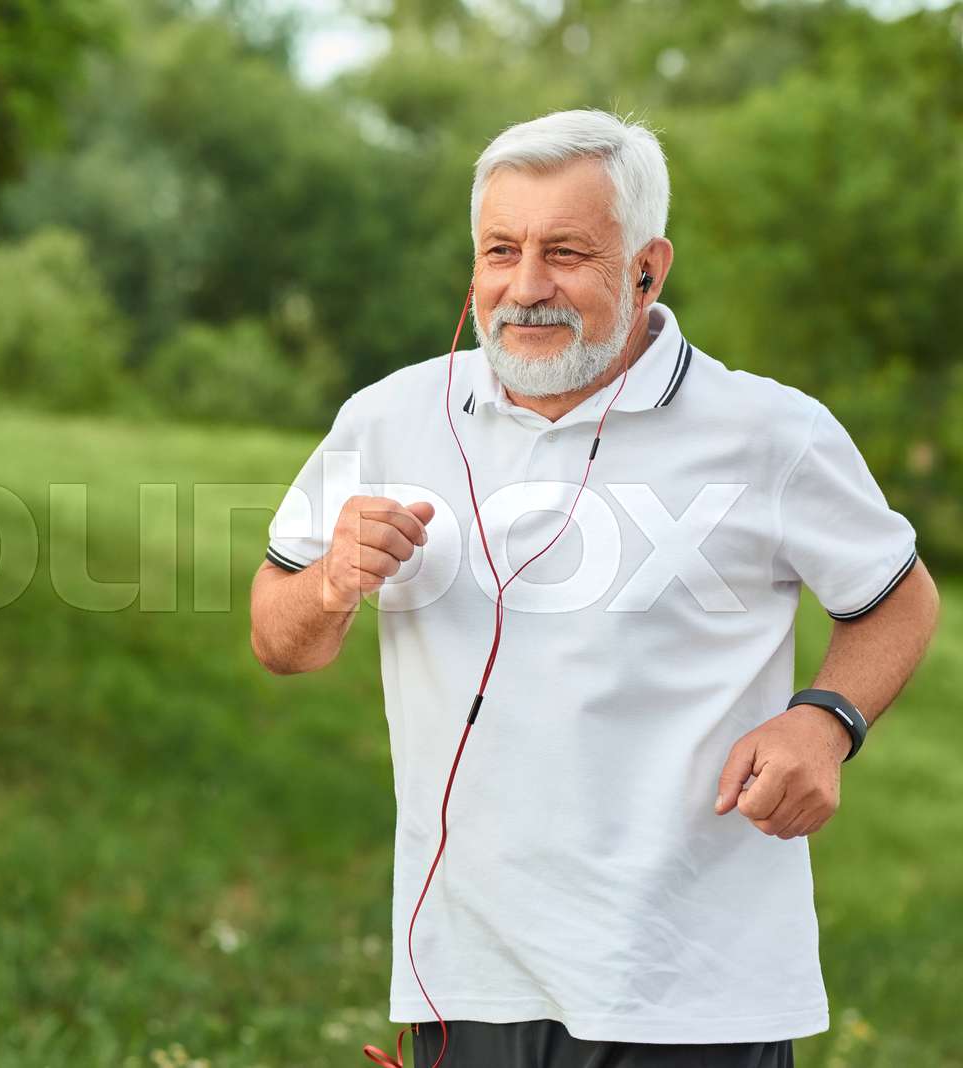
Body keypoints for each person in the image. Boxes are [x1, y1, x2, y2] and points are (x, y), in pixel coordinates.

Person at [248, 109, 940, 1068]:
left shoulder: (771, 430)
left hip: (696, 987)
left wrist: (825, 720)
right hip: (466, 978)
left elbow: (898, 598)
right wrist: (329, 583)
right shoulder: (388, 418)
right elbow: (280, 641)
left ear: (648, 267)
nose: (526, 288)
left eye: (567, 253)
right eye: (501, 250)